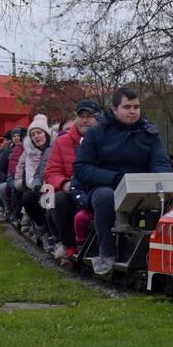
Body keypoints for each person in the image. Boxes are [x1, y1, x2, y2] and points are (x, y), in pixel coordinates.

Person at [73, 88, 171, 275]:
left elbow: (161, 163)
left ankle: (160, 250)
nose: (133, 111)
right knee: (105, 197)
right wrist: (115, 178)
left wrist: (159, 180)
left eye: (136, 107)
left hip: (141, 188)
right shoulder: (96, 133)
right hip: (106, 186)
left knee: (166, 196)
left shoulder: (149, 134)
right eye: (127, 107)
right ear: (114, 109)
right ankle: (106, 254)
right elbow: (82, 167)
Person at [44, 98, 101, 261]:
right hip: (63, 188)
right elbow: (49, 172)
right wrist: (64, 183)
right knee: (53, 200)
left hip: (93, 188)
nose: (84, 120)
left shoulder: (103, 139)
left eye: (89, 116)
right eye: (81, 116)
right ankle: (66, 243)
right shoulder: (61, 142)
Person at [15, 115, 51, 232]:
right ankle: (41, 226)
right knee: (28, 197)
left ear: (45, 133)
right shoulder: (30, 154)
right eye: (33, 134)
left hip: (53, 185)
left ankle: (52, 233)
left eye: (39, 133)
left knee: (49, 196)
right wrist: (39, 186)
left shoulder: (54, 148)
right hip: (38, 186)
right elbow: (30, 176)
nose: (36, 136)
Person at [0, 130, 16, 212]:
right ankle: (0, 204)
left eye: (8, 140)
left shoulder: (16, 151)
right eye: (4, 140)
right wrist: (2, 177)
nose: (6, 142)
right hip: (1, 175)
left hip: (11, 177)